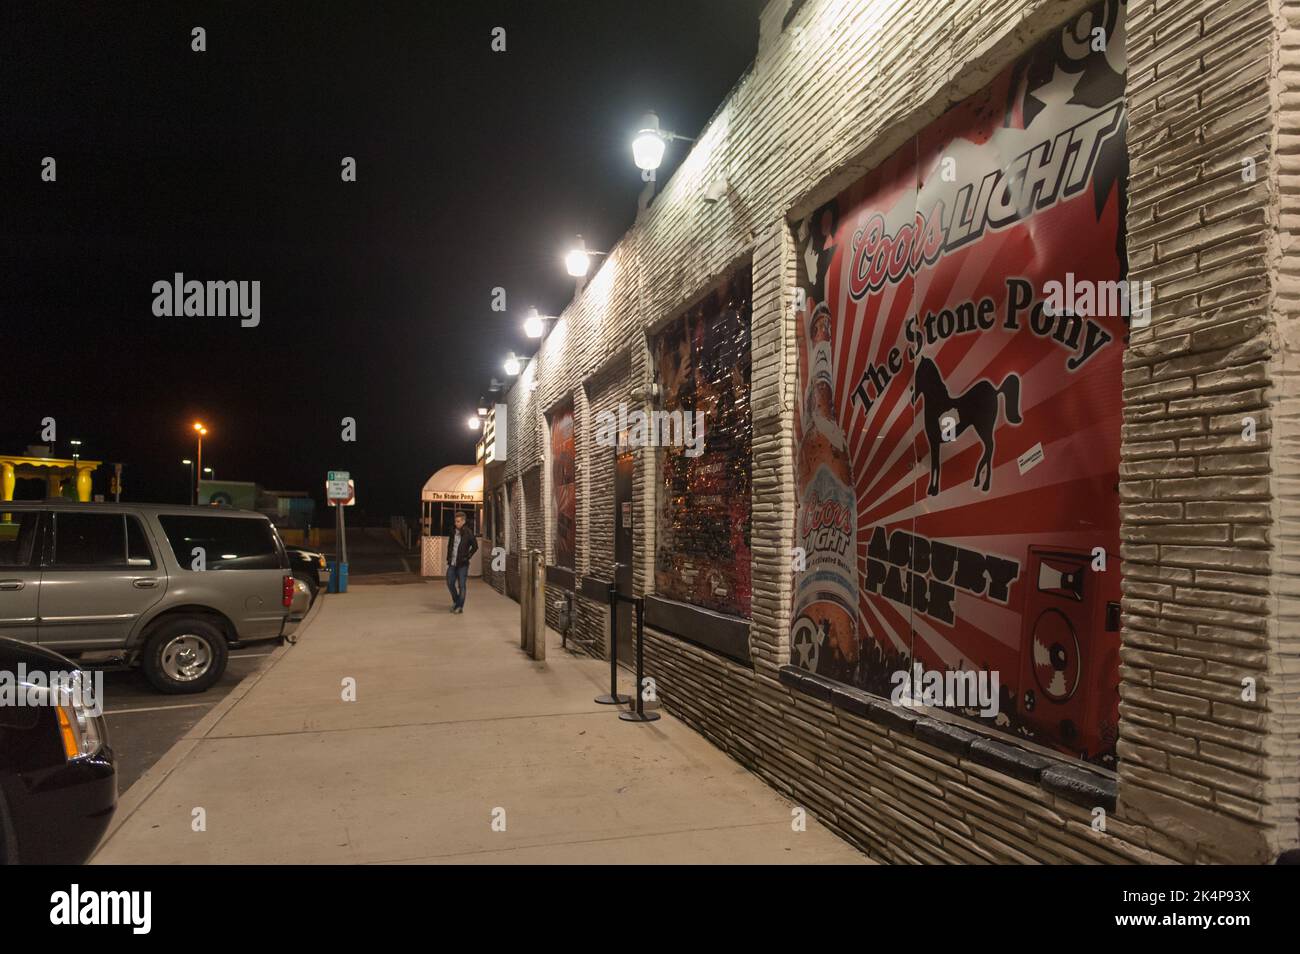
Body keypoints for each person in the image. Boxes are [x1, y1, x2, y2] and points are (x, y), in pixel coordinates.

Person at [445, 510, 478, 614]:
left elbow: (475, 547)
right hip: (452, 563)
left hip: (463, 564)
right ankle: (456, 602)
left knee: (462, 585)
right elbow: (450, 546)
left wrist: (467, 557)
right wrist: (449, 557)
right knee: (450, 583)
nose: (456, 523)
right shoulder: (453, 532)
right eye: (455, 521)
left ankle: (459, 607)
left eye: (458, 521)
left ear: (463, 521)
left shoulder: (468, 533)